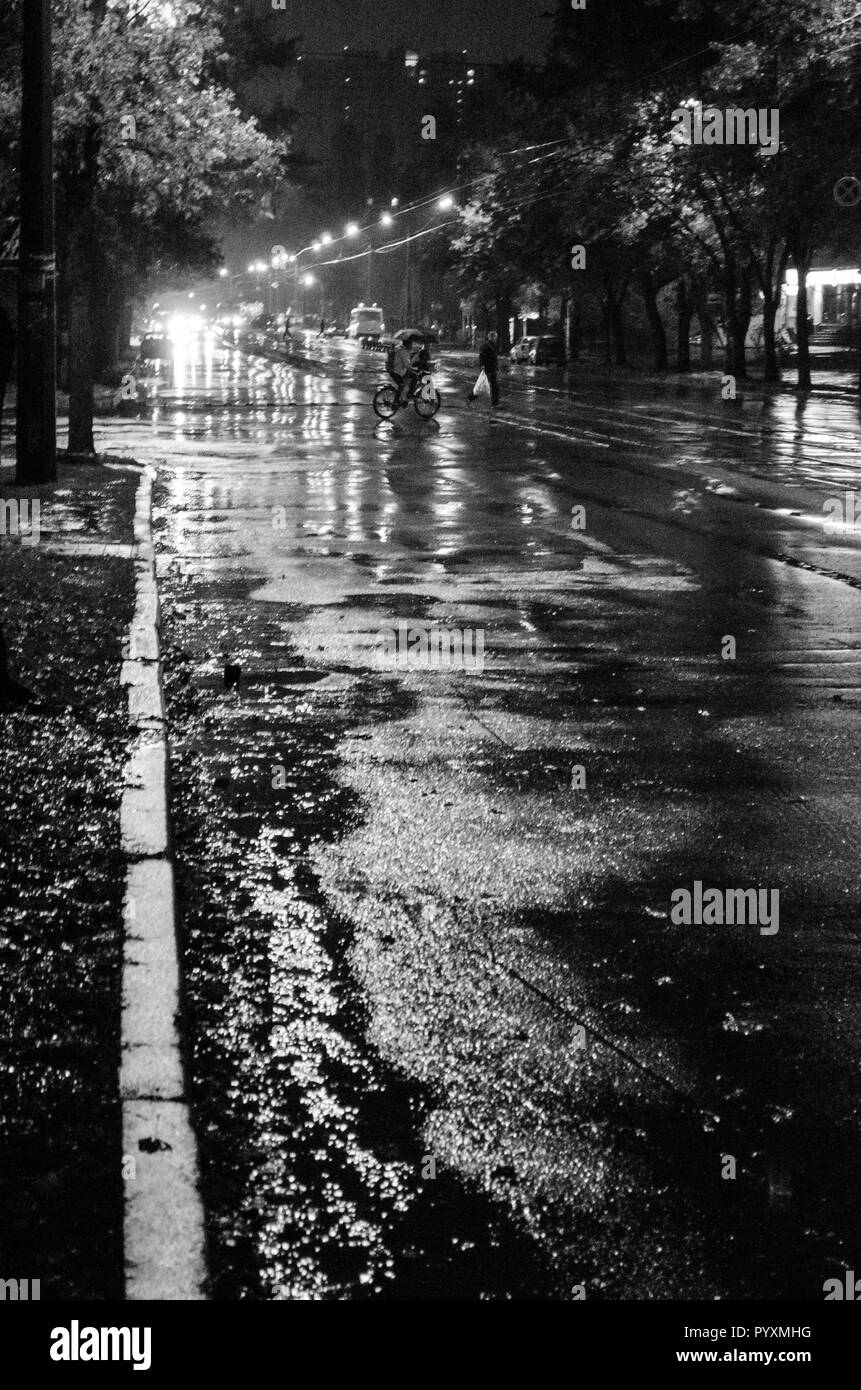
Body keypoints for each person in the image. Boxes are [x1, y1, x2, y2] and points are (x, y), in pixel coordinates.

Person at [467, 330, 500, 407]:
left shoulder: (494, 345)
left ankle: (495, 403)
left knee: (495, 387)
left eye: (495, 336)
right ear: (489, 337)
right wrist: (482, 367)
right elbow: (482, 357)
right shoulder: (486, 346)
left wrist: (497, 367)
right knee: (481, 386)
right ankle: (470, 398)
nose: (494, 338)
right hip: (487, 369)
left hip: (493, 369)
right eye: (493, 337)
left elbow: (494, 358)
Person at [391, 338, 419, 407]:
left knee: (406, 382)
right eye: (410, 344)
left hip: (396, 369)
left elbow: (406, 360)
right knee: (413, 377)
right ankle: (397, 401)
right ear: (407, 344)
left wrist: (413, 355)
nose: (411, 346)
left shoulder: (400, 348)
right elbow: (407, 364)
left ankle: (403, 399)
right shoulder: (403, 351)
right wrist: (413, 369)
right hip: (398, 371)